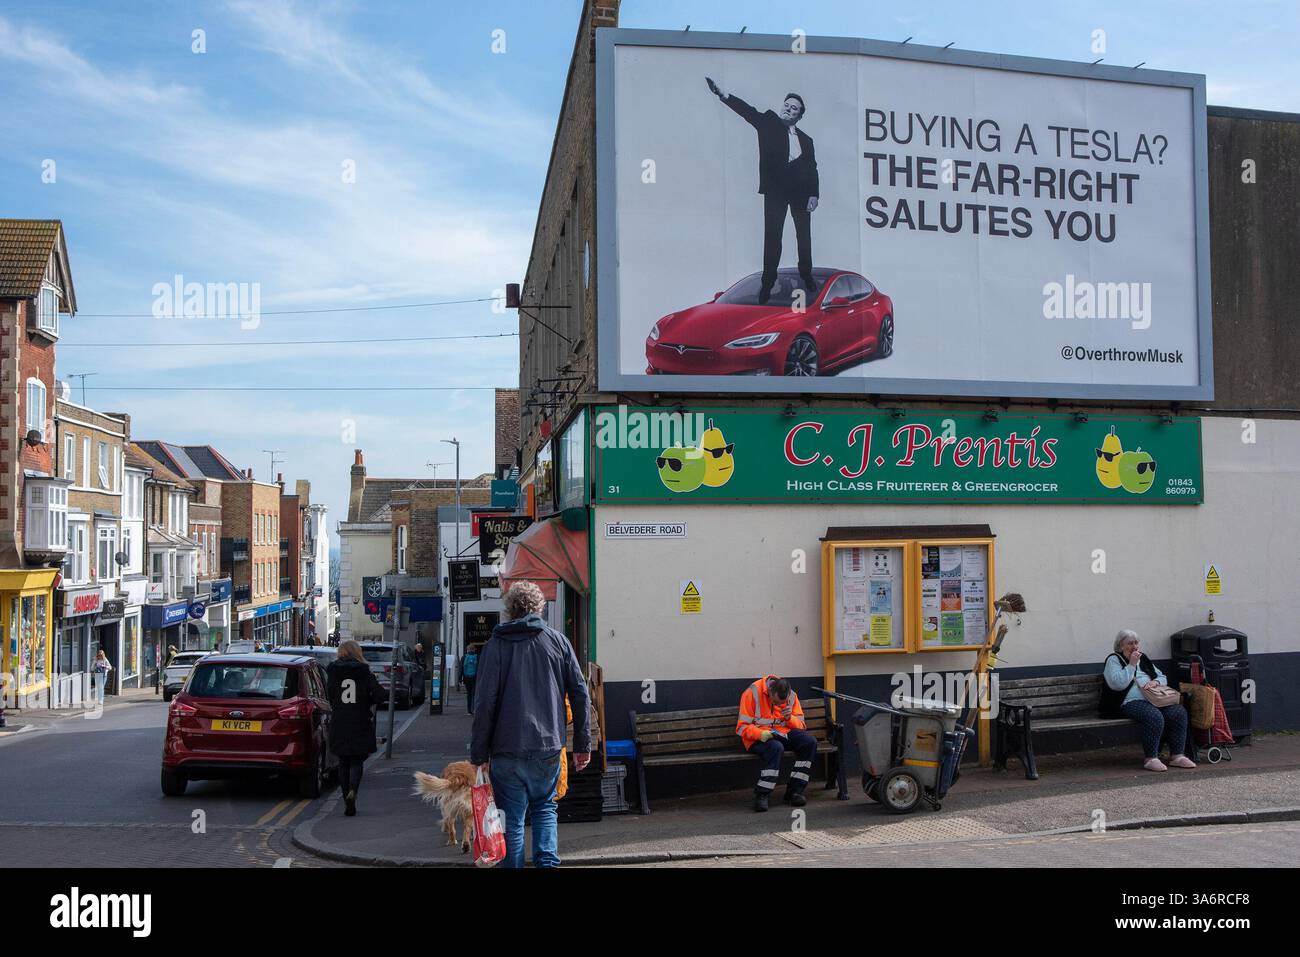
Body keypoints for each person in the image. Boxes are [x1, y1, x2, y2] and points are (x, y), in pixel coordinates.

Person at [470, 582, 590, 869]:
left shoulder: (495, 646)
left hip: (505, 749)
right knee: (545, 809)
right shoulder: (557, 641)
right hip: (548, 746)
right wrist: (582, 745)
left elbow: (484, 704)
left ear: (509, 610)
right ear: (540, 608)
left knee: (511, 820)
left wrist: (478, 755)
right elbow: (580, 692)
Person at [707, 76, 819, 302]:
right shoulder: (768, 122)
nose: (788, 109)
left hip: (800, 194)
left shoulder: (807, 140)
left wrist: (814, 194)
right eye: (786, 105)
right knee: (773, 237)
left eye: (794, 108)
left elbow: (812, 168)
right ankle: (767, 284)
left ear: (799, 115)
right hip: (776, 192)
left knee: (803, 237)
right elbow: (747, 111)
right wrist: (723, 95)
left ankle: (806, 275)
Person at [1102, 629, 1197, 772]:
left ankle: (1177, 756)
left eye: (1136, 643)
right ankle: (1151, 758)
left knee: (1178, 712)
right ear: (1120, 645)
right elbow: (1116, 684)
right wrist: (1132, 665)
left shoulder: (1143, 658)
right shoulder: (1113, 659)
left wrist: (1155, 683)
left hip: (1154, 698)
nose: (1134, 647)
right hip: (1129, 701)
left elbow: (1161, 676)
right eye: (1130, 643)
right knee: (1153, 716)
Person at [736, 674, 815, 811]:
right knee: (775, 747)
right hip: (757, 737)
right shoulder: (752, 693)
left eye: (781, 703)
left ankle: (794, 792)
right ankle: (762, 795)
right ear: (770, 692)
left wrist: (790, 718)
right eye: (776, 702)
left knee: (809, 743)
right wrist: (761, 734)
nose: (779, 705)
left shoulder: (791, 696)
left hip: (782, 733)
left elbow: (801, 725)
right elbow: (742, 727)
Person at [326, 640, 387, 816]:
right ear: (357, 652)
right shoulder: (364, 671)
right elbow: (379, 696)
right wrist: (367, 699)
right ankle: (354, 790)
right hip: (360, 720)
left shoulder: (333, 671)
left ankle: (346, 797)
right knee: (356, 761)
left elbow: (330, 694)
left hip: (339, 720)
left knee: (343, 762)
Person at [461, 643, 480, 714]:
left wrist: (460, 679)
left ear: (467, 650)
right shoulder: (477, 657)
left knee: (469, 694)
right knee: (474, 693)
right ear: (474, 649)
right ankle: (474, 709)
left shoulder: (464, 657)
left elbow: (461, 669)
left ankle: (469, 710)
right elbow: (480, 668)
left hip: (466, 678)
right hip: (475, 677)